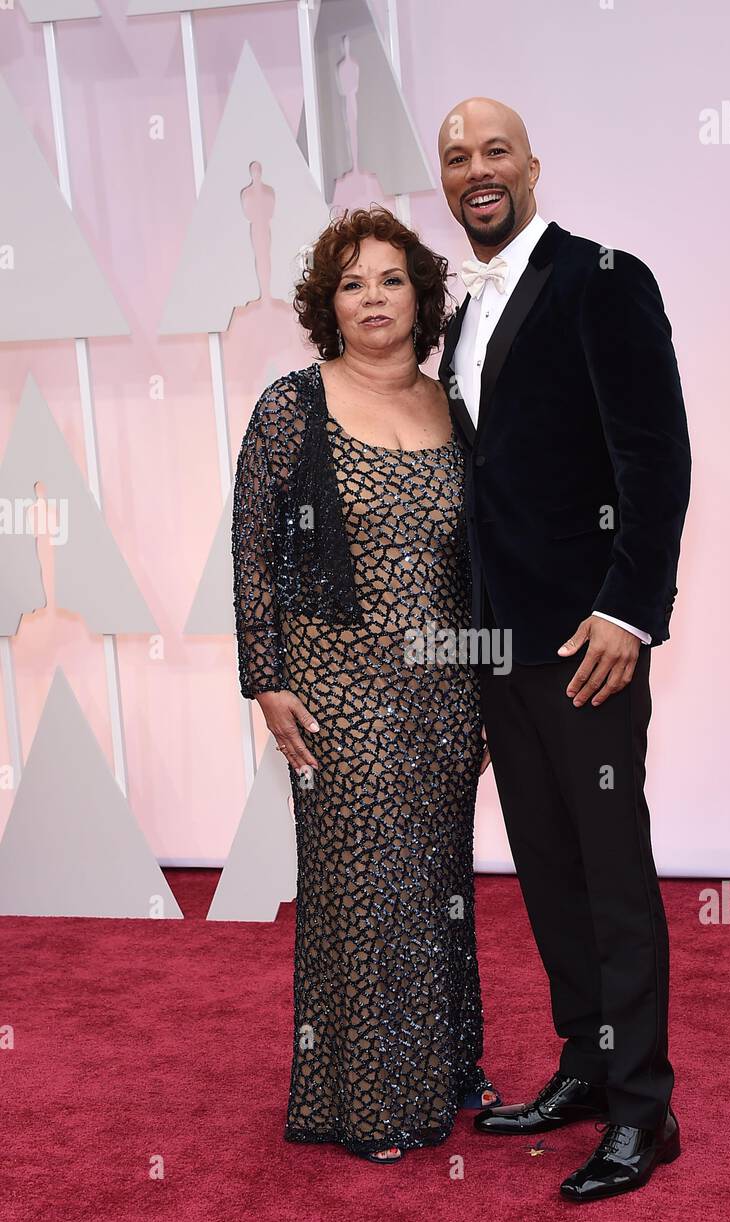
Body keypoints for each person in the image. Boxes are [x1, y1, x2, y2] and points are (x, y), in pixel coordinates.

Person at [436, 98, 692, 1201]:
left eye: (494, 151)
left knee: (613, 877)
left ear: (531, 166)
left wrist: (627, 613)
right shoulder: (459, 313)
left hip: (588, 644)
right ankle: (582, 1066)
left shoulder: (602, 279)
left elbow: (657, 458)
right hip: (498, 643)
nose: (476, 171)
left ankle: (644, 1111)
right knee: (544, 871)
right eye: (455, 158)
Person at [231, 207, 500, 1165]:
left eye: (390, 280)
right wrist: (265, 680)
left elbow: (483, 563)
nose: (373, 298)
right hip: (334, 685)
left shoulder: (456, 407)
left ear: (420, 297)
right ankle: (373, 1100)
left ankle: (445, 1068)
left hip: (442, 688)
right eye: (352, 283)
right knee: (359, 883)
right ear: (327, 304)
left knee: (436, 883)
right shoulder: (291, 407)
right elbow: (253, 548)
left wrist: (488, 683)